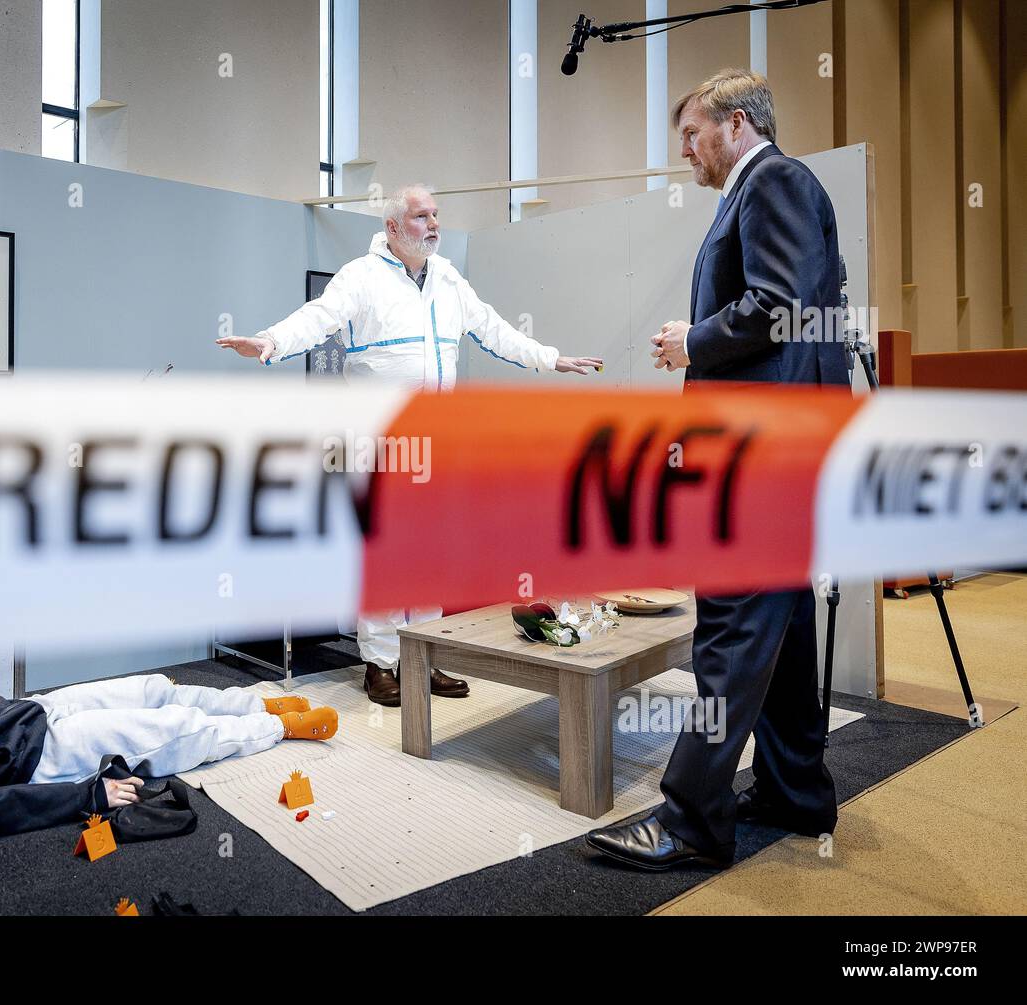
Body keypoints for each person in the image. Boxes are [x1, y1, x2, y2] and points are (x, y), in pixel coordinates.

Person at [585, 69, 849, 872]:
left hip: (758, 454)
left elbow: (778, 302)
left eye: (693, 136)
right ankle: (795, 792)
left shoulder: (774, 182)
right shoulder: (768, 190)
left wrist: (693, 341)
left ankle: (692, 822)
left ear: (737, 124)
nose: (687, 155)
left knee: (732, 629)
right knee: (785, 628)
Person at [217, 184, 604, 706]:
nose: (434, 225)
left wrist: (551, 358)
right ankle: (379, 662)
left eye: (436, 216)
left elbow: (494, 330)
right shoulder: (362, 277)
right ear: (393, 228)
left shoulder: (447, 280)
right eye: (422, 217)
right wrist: (271, 342)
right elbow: (318, 319)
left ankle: (424, 655)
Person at [0, 674, 337, 849]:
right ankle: (277, 728)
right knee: (164, 732)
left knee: (151, 688)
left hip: (17, 715)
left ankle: (252, 703)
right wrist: (85, 796)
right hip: (34, 760)